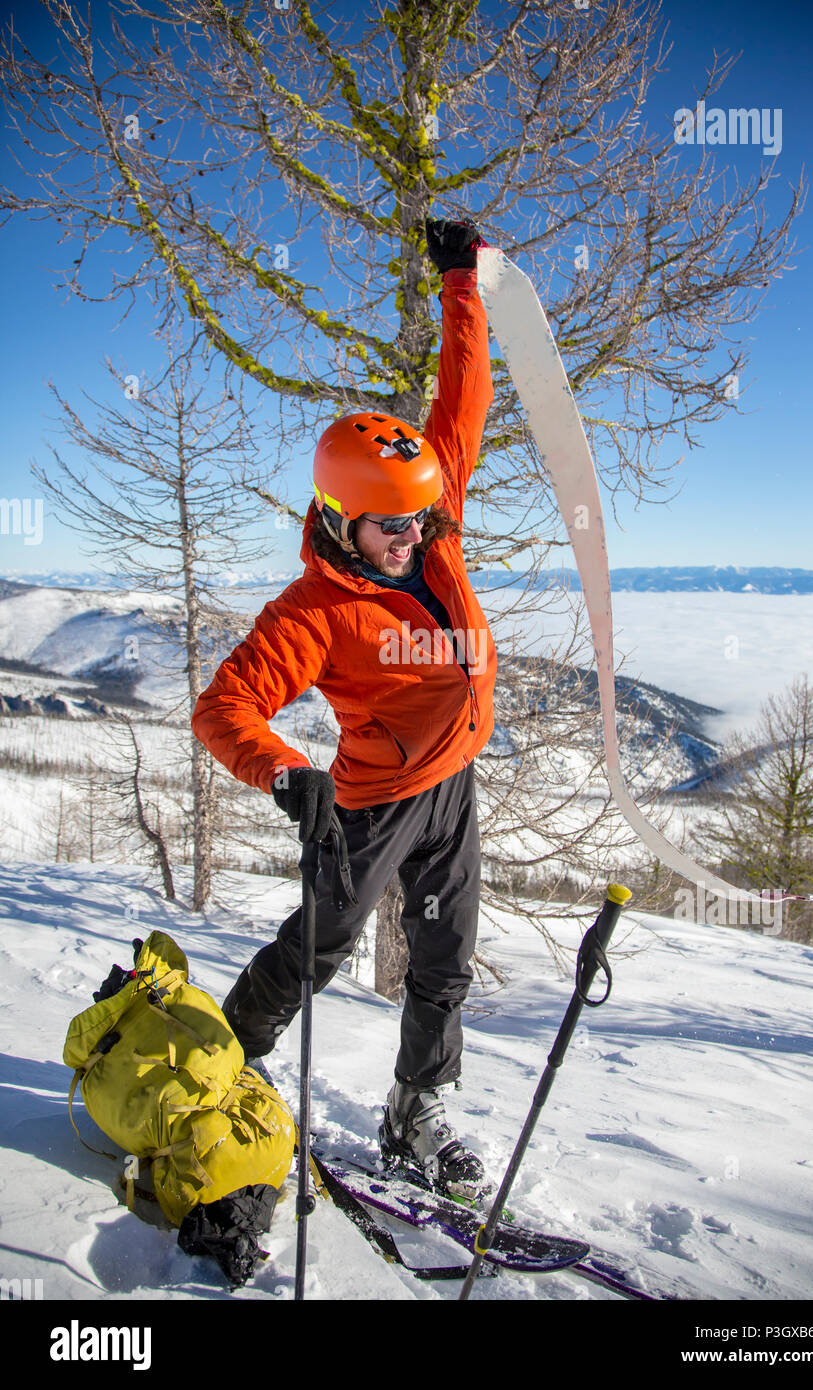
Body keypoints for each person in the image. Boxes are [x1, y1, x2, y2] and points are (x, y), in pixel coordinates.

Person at [191, 218, 496, 1200]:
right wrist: (285, 770)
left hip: (452, 782)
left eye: (416, 518)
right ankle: (227, 1061)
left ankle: (416, 1106)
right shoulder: (313, 609)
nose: (410, 536)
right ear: (336, 516)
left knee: (446, 951)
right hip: (370, 801)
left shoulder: (422, 515)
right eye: (387, 525)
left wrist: (459, 280)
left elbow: (462, 398)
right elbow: (223, 706)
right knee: (324, 940)